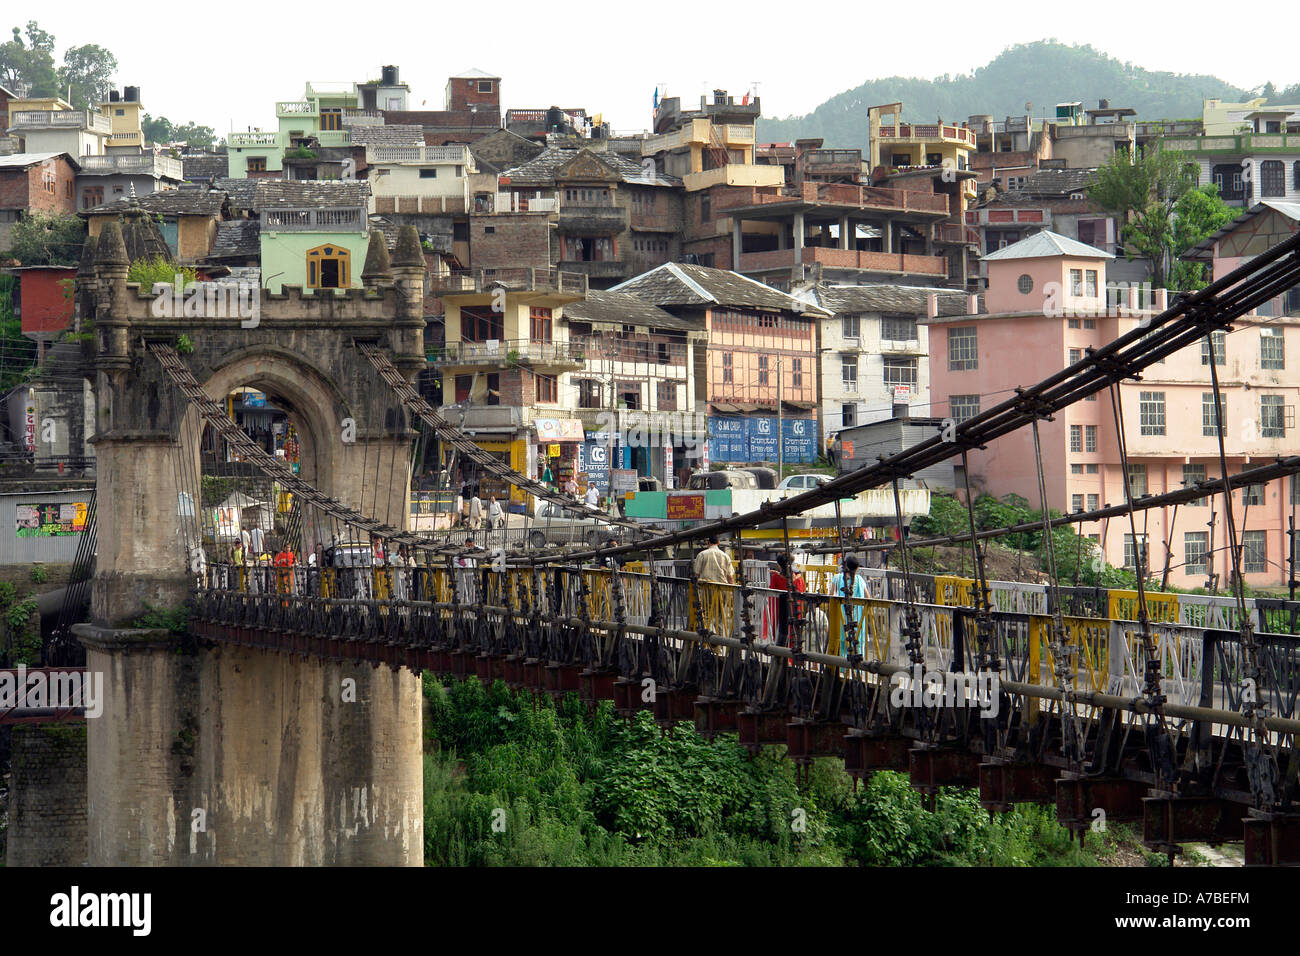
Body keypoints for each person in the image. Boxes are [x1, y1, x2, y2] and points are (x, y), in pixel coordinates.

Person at [830, 556, 868, 656]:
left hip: (841, 615)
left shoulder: (837, 578)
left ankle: (842, 667)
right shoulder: (859, 579)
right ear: (857, 568)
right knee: (857, 641)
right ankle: (858, 665)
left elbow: (831, 596)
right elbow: (868, 597)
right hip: (858, 617)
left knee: (842, 641)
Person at [768, 552, 807, 647]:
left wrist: (777, 574)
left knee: (781, 636)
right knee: (794, 634)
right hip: (795, 611)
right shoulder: (799, 579)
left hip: (780, 612)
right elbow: (803, 589)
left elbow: (772, 592)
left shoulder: (775, 578)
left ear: (779, 564)